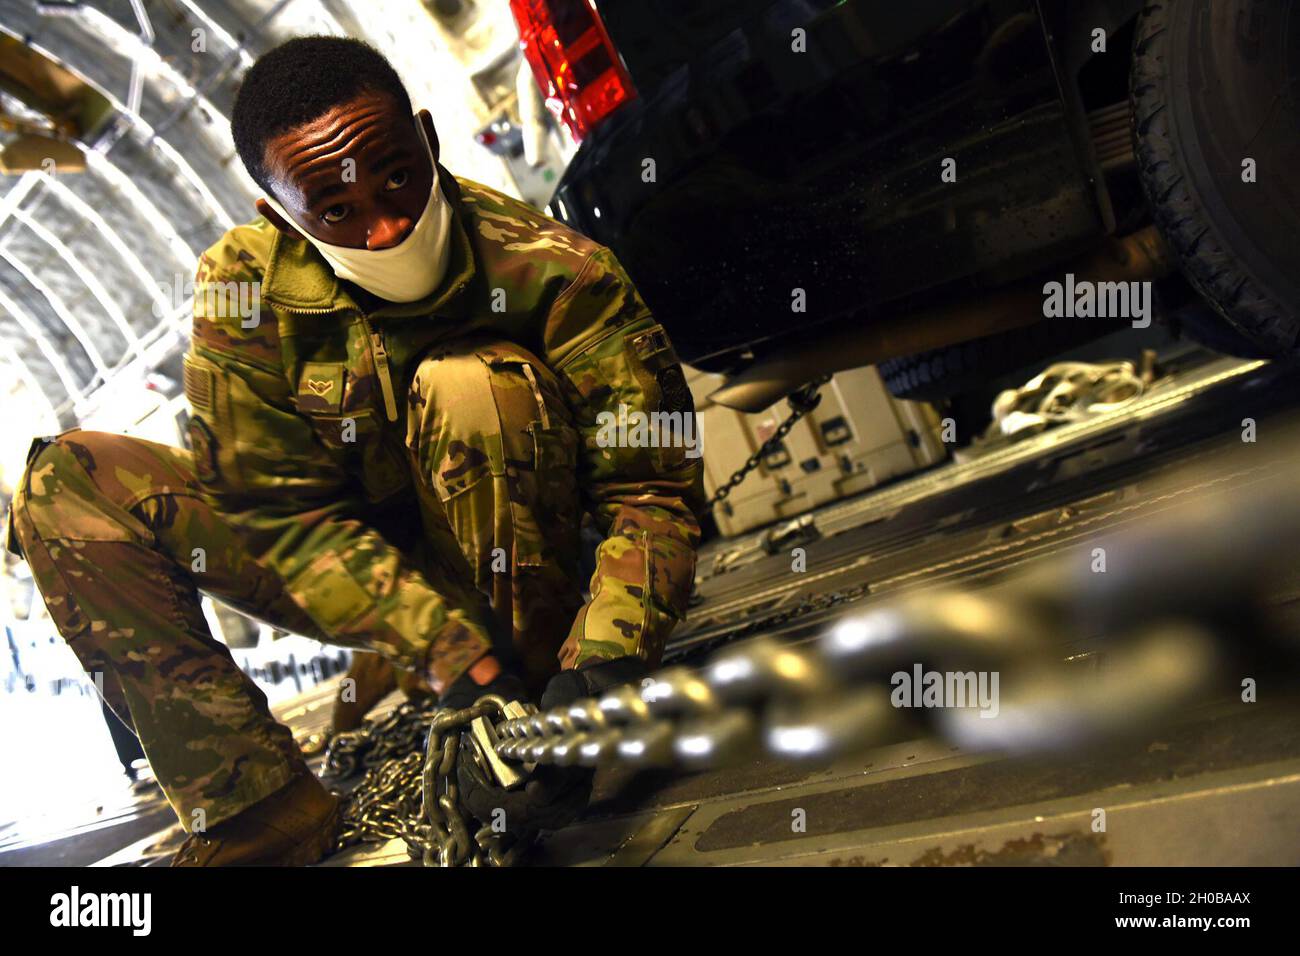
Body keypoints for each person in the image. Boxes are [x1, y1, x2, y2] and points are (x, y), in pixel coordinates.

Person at [3, 36, 705, 866]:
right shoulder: (241, 288)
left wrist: (607, 664)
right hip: (351, 574)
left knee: (472, 380)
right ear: (280, 215)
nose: (386, 224)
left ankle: (523, 681)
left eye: (399, 175)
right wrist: (453, 660)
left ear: (429, 139)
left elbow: (652, 490)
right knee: (68, 480)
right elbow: (276, 513)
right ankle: (258, 805)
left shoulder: (559, 274)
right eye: (335, 210)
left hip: (515, 566)